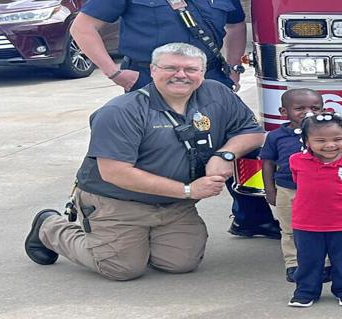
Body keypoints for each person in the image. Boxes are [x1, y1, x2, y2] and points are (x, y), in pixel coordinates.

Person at [25, 43, 264, 281]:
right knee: (122, 268)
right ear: (152, 70)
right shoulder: (121, 111)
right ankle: (50, 227)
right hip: (118, 202)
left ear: (202, 72)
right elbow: (115, 173)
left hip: (174, 205)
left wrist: (225, 155)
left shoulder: (217, 93)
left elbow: (252, 131)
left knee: (181, 263)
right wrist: (188, 190)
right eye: (170, 68)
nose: (181, 75)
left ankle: (136, 240)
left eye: (191, 69)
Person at [71, 0, 277, 239]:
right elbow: (82, 27)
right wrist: (114, 73)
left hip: (208, 76)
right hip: (151, 78)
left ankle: (252, 217)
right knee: (162, 148)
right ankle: (149, 211)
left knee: (241, 143)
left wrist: (233, 66)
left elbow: (236, 24)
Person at [286, 113, 342, 308]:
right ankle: (305, 292)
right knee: (308, 260)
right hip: (306, 222)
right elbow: (297, 182)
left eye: (337, 139)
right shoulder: (296, 161)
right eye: (320, 140)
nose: (330, 145)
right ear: (306, 141)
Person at [260, 88, 322, 283]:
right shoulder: (275, 136)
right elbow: (267, 163)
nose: (308, 112)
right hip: (287, 189)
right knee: (289, 228)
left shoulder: (327, 134)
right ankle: (293, 263)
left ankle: (324, 263)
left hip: (319, 190)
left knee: (321, 226)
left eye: (315, 108)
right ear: (283, 112)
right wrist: (270, 189)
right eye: (299, 108)